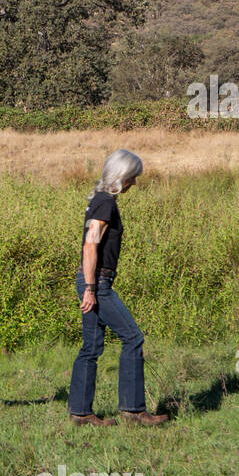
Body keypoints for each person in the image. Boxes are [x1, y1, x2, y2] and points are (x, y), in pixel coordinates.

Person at [67, 149, 168, 426]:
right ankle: (133, 411)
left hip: (92, 281)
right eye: (132, 177)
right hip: (97, 283)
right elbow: (90, 246)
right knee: (133, 337)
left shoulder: (100, 201)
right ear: (121, 176)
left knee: (91, 346)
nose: (134, 183)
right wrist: (90, 288)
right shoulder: (105, 204)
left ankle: (81, 413)